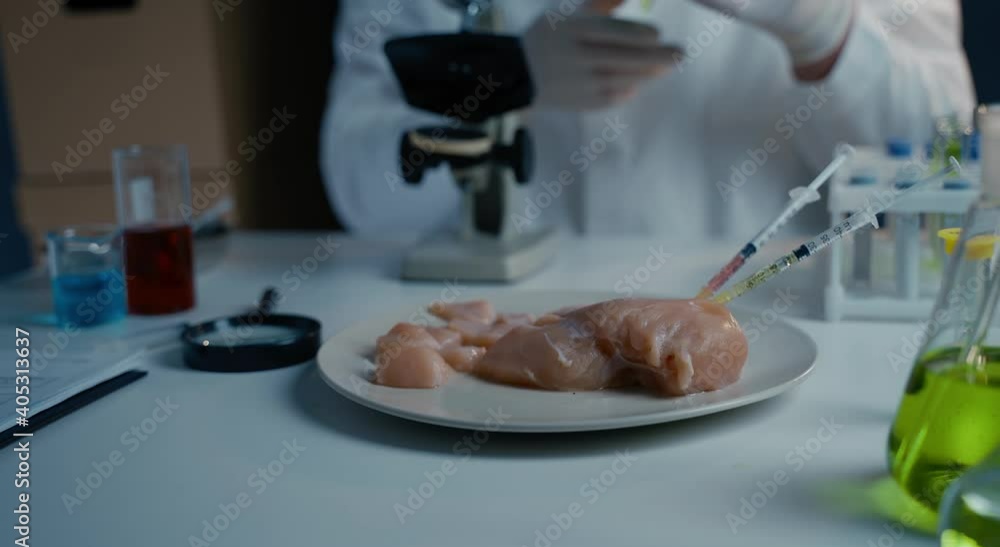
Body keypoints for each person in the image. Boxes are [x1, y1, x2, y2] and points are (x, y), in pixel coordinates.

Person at [320, 0, 975, 240]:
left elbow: (949, 163)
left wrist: (826, 34)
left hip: (776, 350)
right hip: (497, 363)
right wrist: (503, 80)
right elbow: (365, 197)